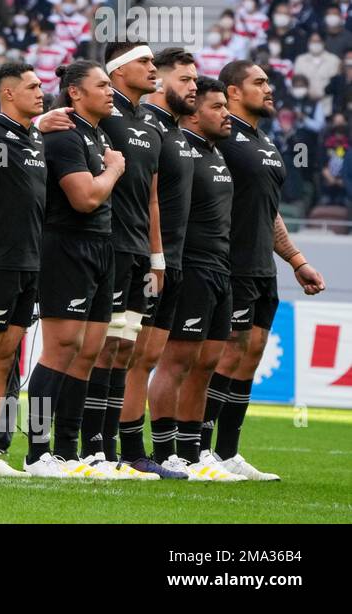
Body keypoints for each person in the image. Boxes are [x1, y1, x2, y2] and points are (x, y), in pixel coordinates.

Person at [206, 60, 326, 479]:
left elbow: (270, 213)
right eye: (259, 82)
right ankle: (198, 450)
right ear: (233, 91)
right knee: (222, 355)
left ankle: (227, 452)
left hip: (261, 266)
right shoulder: (219, 137)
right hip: (228, 264)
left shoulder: (265, 144)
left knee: (250, 356)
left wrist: (297, 260)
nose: (269, 89)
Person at [25, 60, 125, 477]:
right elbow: (84, 199)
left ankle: (69, 450)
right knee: (62, 348)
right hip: (67, 247)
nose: (110, 91)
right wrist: (116, 169)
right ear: (75, 93)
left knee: (88, 353)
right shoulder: (65, 135)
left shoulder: (97, 134)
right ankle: (36, 451)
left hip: (102, 248)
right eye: (101, 85)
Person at [152, 77, 246, 481]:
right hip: (190, 267)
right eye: (218, 107)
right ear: (193, 114)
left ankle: (193, 452)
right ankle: (164, 450)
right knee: (177, 362)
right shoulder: (181, 152)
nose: (227, 114)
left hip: (220, 269)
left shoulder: (217, 153)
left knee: (207, 363)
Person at [119, 47, 198, 479]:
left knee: (144, 357)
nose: (193, 87)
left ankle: (133, 451)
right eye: (185, 79)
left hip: (173, 259)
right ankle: (125, 451)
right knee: (132, 356)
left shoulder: (175, 131)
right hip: (149, 260)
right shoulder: (141, 123)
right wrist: (155, 257)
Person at [0, 62, 48, 476]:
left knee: (3, 360)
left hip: (28, 262)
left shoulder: (35, 135)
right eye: (33, 87)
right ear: (9, 94)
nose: (41, 92)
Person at [89, 41, 163, 479]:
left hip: (138, 251)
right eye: (145, 62)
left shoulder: (149, 126)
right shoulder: (100, 116)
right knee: (97, 350)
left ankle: (113, 450)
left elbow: (152, 199)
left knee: (122, 350)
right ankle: (88, 448)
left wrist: (158, 258)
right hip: (104, 245)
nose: (153, 69)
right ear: (118, 71)